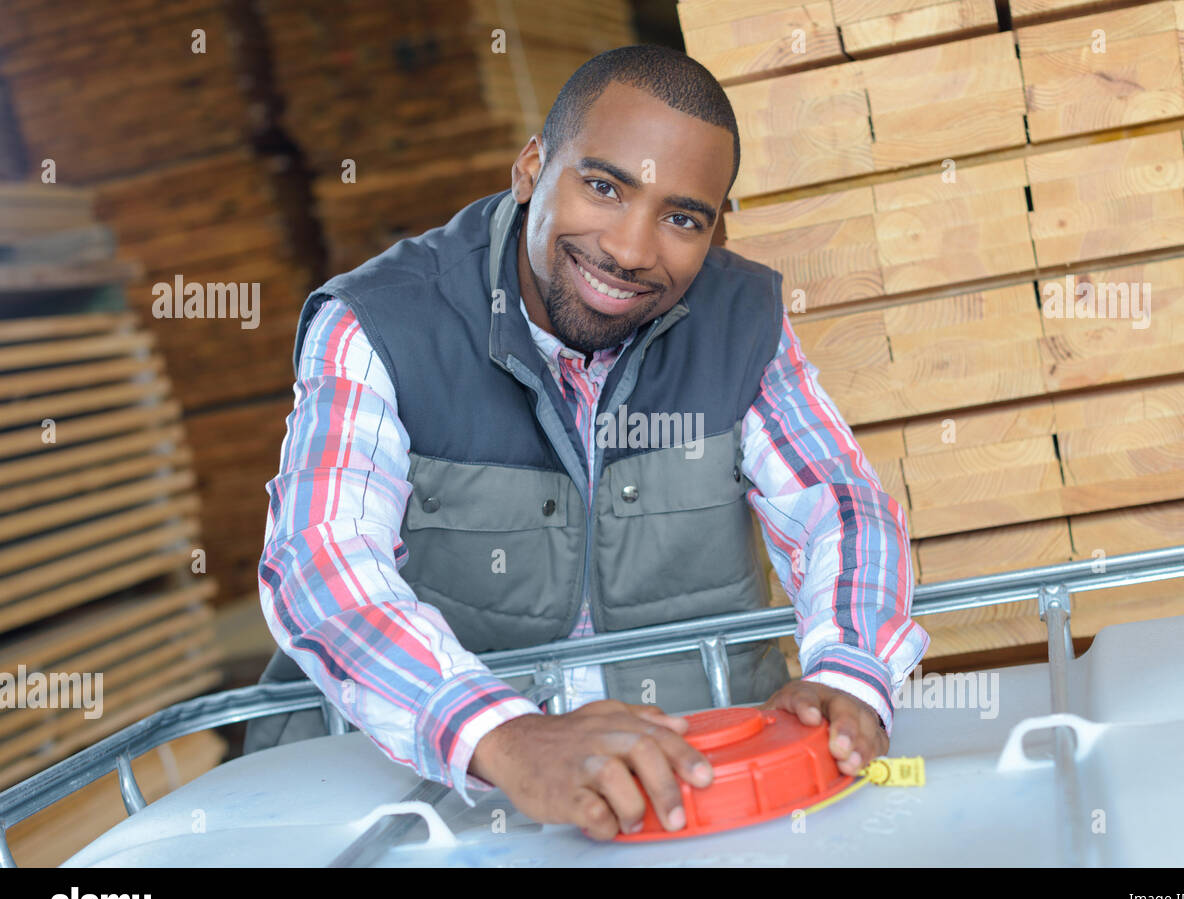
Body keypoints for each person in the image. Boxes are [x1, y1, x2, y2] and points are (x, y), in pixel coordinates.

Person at [248, 44, 929, 840]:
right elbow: (320, 560)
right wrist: (502, 735)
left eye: (683, 218)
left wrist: (850, 666)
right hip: (429, 821)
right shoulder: (381, 322)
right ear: (532, 168)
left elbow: (838, 506)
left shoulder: (740, 320)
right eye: (604, 186)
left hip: (692, 805)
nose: (633, 250)